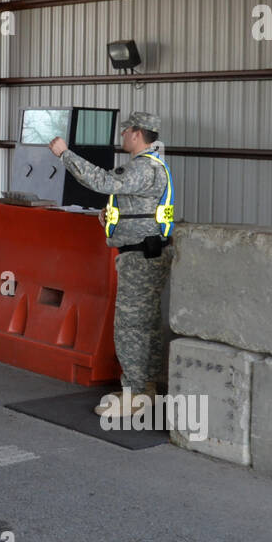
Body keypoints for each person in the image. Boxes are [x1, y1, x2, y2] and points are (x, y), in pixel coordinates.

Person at [49, 111, 175, 418]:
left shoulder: (144, 167)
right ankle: (146, 387)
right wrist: (113, 219)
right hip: (145, 253)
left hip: (140, 257)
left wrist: (65, 154)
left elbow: (102, 181)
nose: (122, 136)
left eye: (125, 132)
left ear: (136, 133)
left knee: (131, 327)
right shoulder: (152, 166)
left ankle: (136, 394)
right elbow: (137, 207)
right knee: (146, 324)